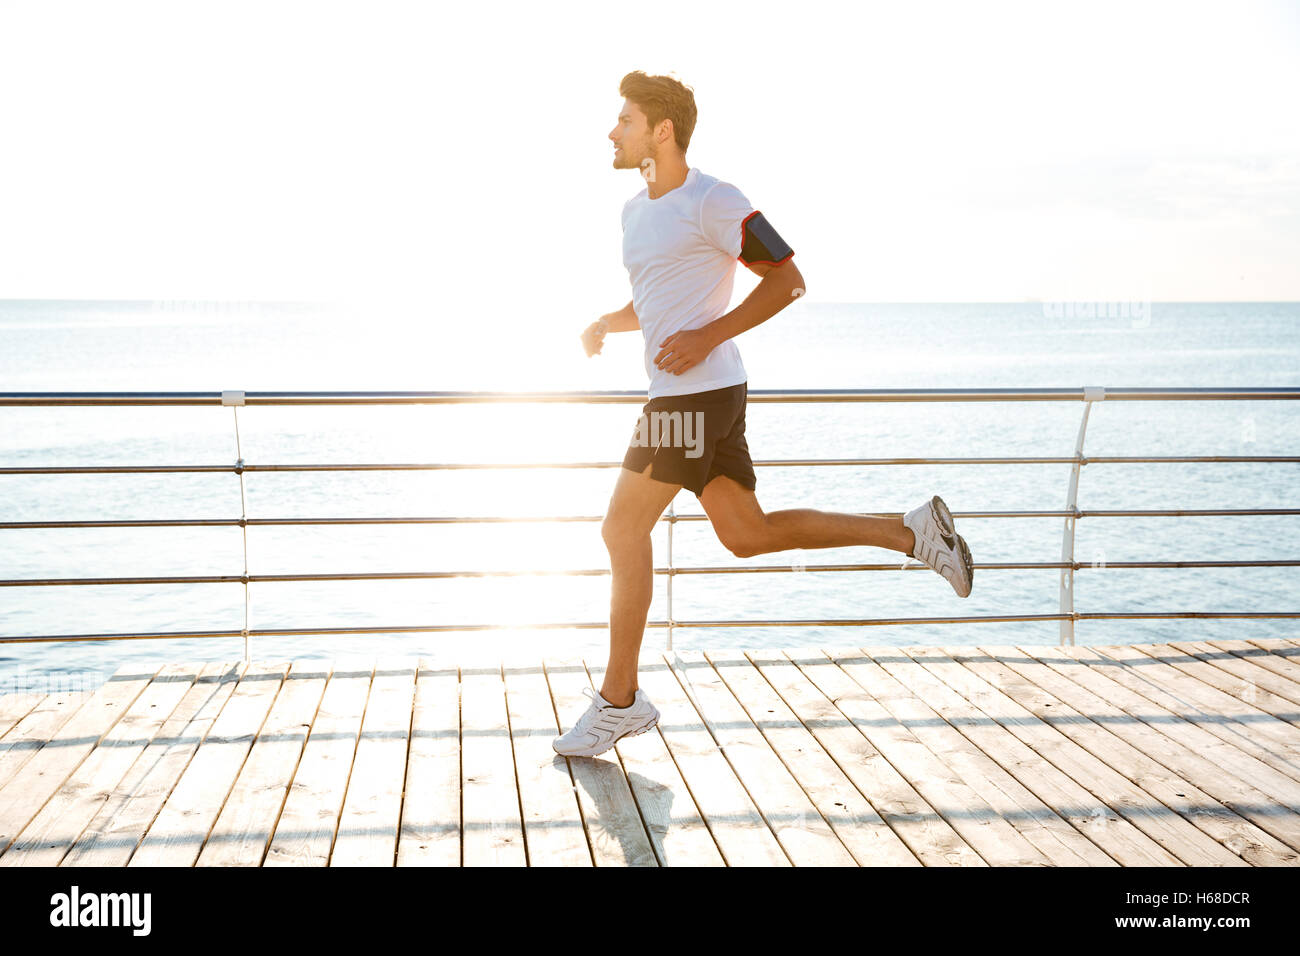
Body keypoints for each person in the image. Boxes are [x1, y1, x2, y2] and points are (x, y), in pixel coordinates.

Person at [553, 71, 973, 758]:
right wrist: (609, 321)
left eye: (624, 120)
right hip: (695, 396)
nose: (612, 132)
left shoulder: (713, 200)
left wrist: (707, 337)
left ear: (662, 130)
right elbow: (662, 302)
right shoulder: (635, 211)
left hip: (694, 399)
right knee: (746, 535)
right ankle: (912, 533)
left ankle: (619, 699)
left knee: (620, 529)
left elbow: (787, 278)